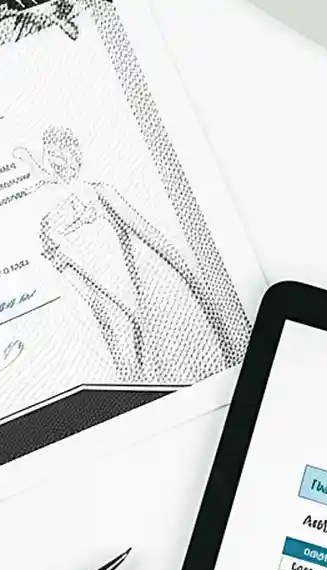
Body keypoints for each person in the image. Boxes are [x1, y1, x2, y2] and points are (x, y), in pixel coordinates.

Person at [15, 127, 240, 383]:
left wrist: (189, 275)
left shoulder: (101, 193)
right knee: (122, 344)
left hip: (131, 290)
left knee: (145, 344)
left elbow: (148, 233)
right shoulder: (51, 218)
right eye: (52, 154)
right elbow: (60, 262)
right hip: (103, 297)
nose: (59, 162)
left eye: (64, 153)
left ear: (77, 154)